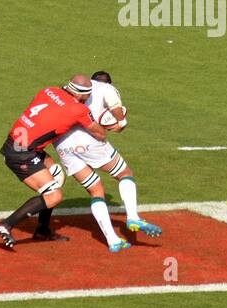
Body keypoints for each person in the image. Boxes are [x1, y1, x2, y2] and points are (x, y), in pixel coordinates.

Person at [0, 76, 128, 251]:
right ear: (81, 95)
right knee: (54, 195)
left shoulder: (48, 90)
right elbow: (100, 135)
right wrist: (112, 125)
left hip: (19, 142)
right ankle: (5, 225)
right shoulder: (77, 109)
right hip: (21, 153)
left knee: (57, 176)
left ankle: (42, 230)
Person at [50, 70, 161, 240]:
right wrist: (120, 124)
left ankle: (113, 240)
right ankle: (133, 217)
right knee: (124, 173)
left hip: (62, 145)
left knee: (95, 190)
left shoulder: (68, 90)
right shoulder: (107, 89)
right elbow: (118, 115)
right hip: (90, 141)